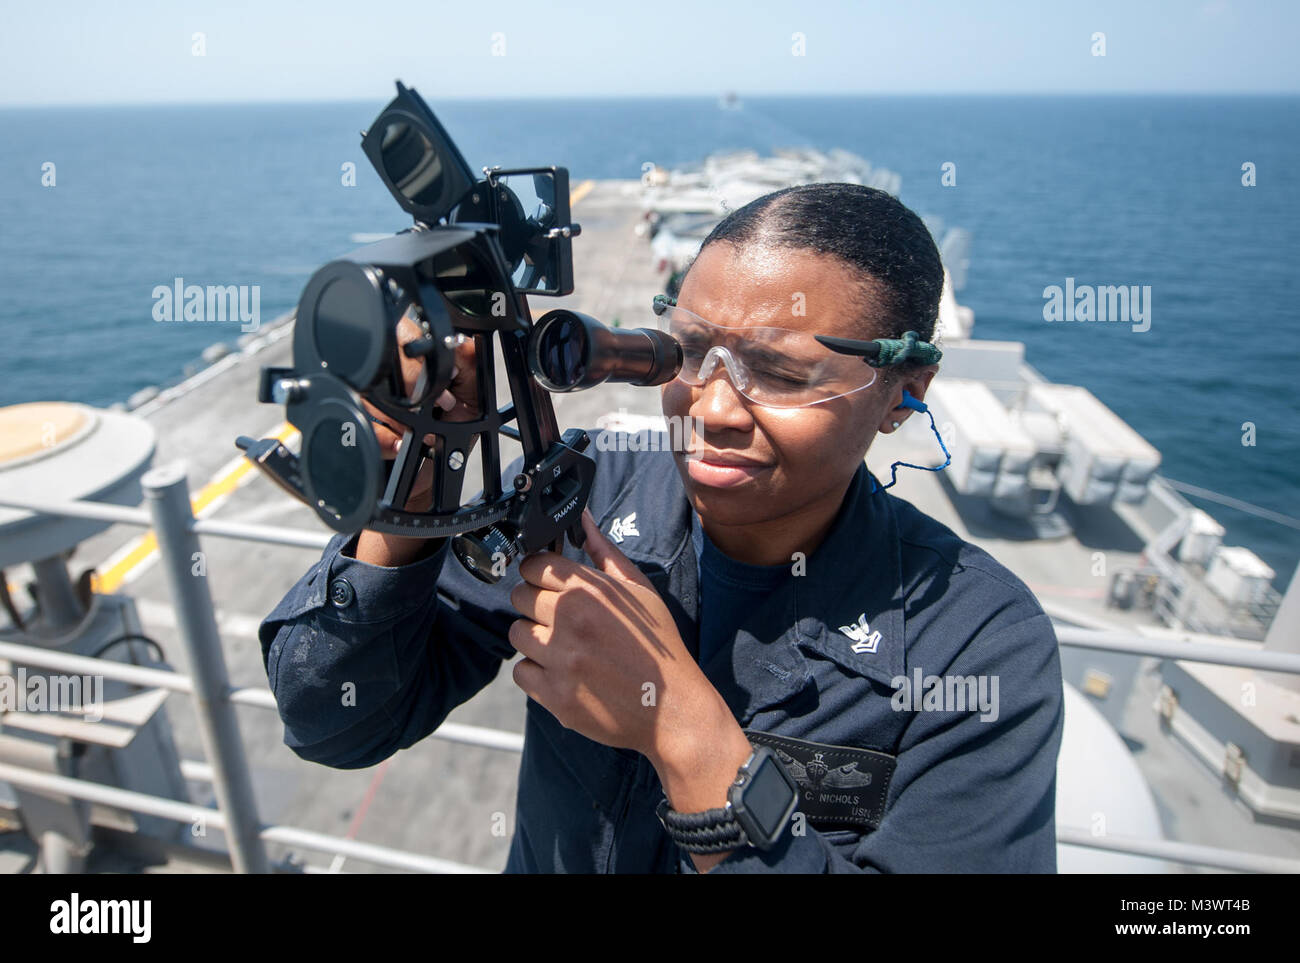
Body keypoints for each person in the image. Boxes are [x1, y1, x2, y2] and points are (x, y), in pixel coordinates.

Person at [258, 182, 1064, 873]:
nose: (711, 409)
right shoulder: (586, 492)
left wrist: (683, 734)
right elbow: (331, 718)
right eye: (687, 352)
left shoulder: (981, 644)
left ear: (903, 393)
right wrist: (414, 495)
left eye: (781, 373)